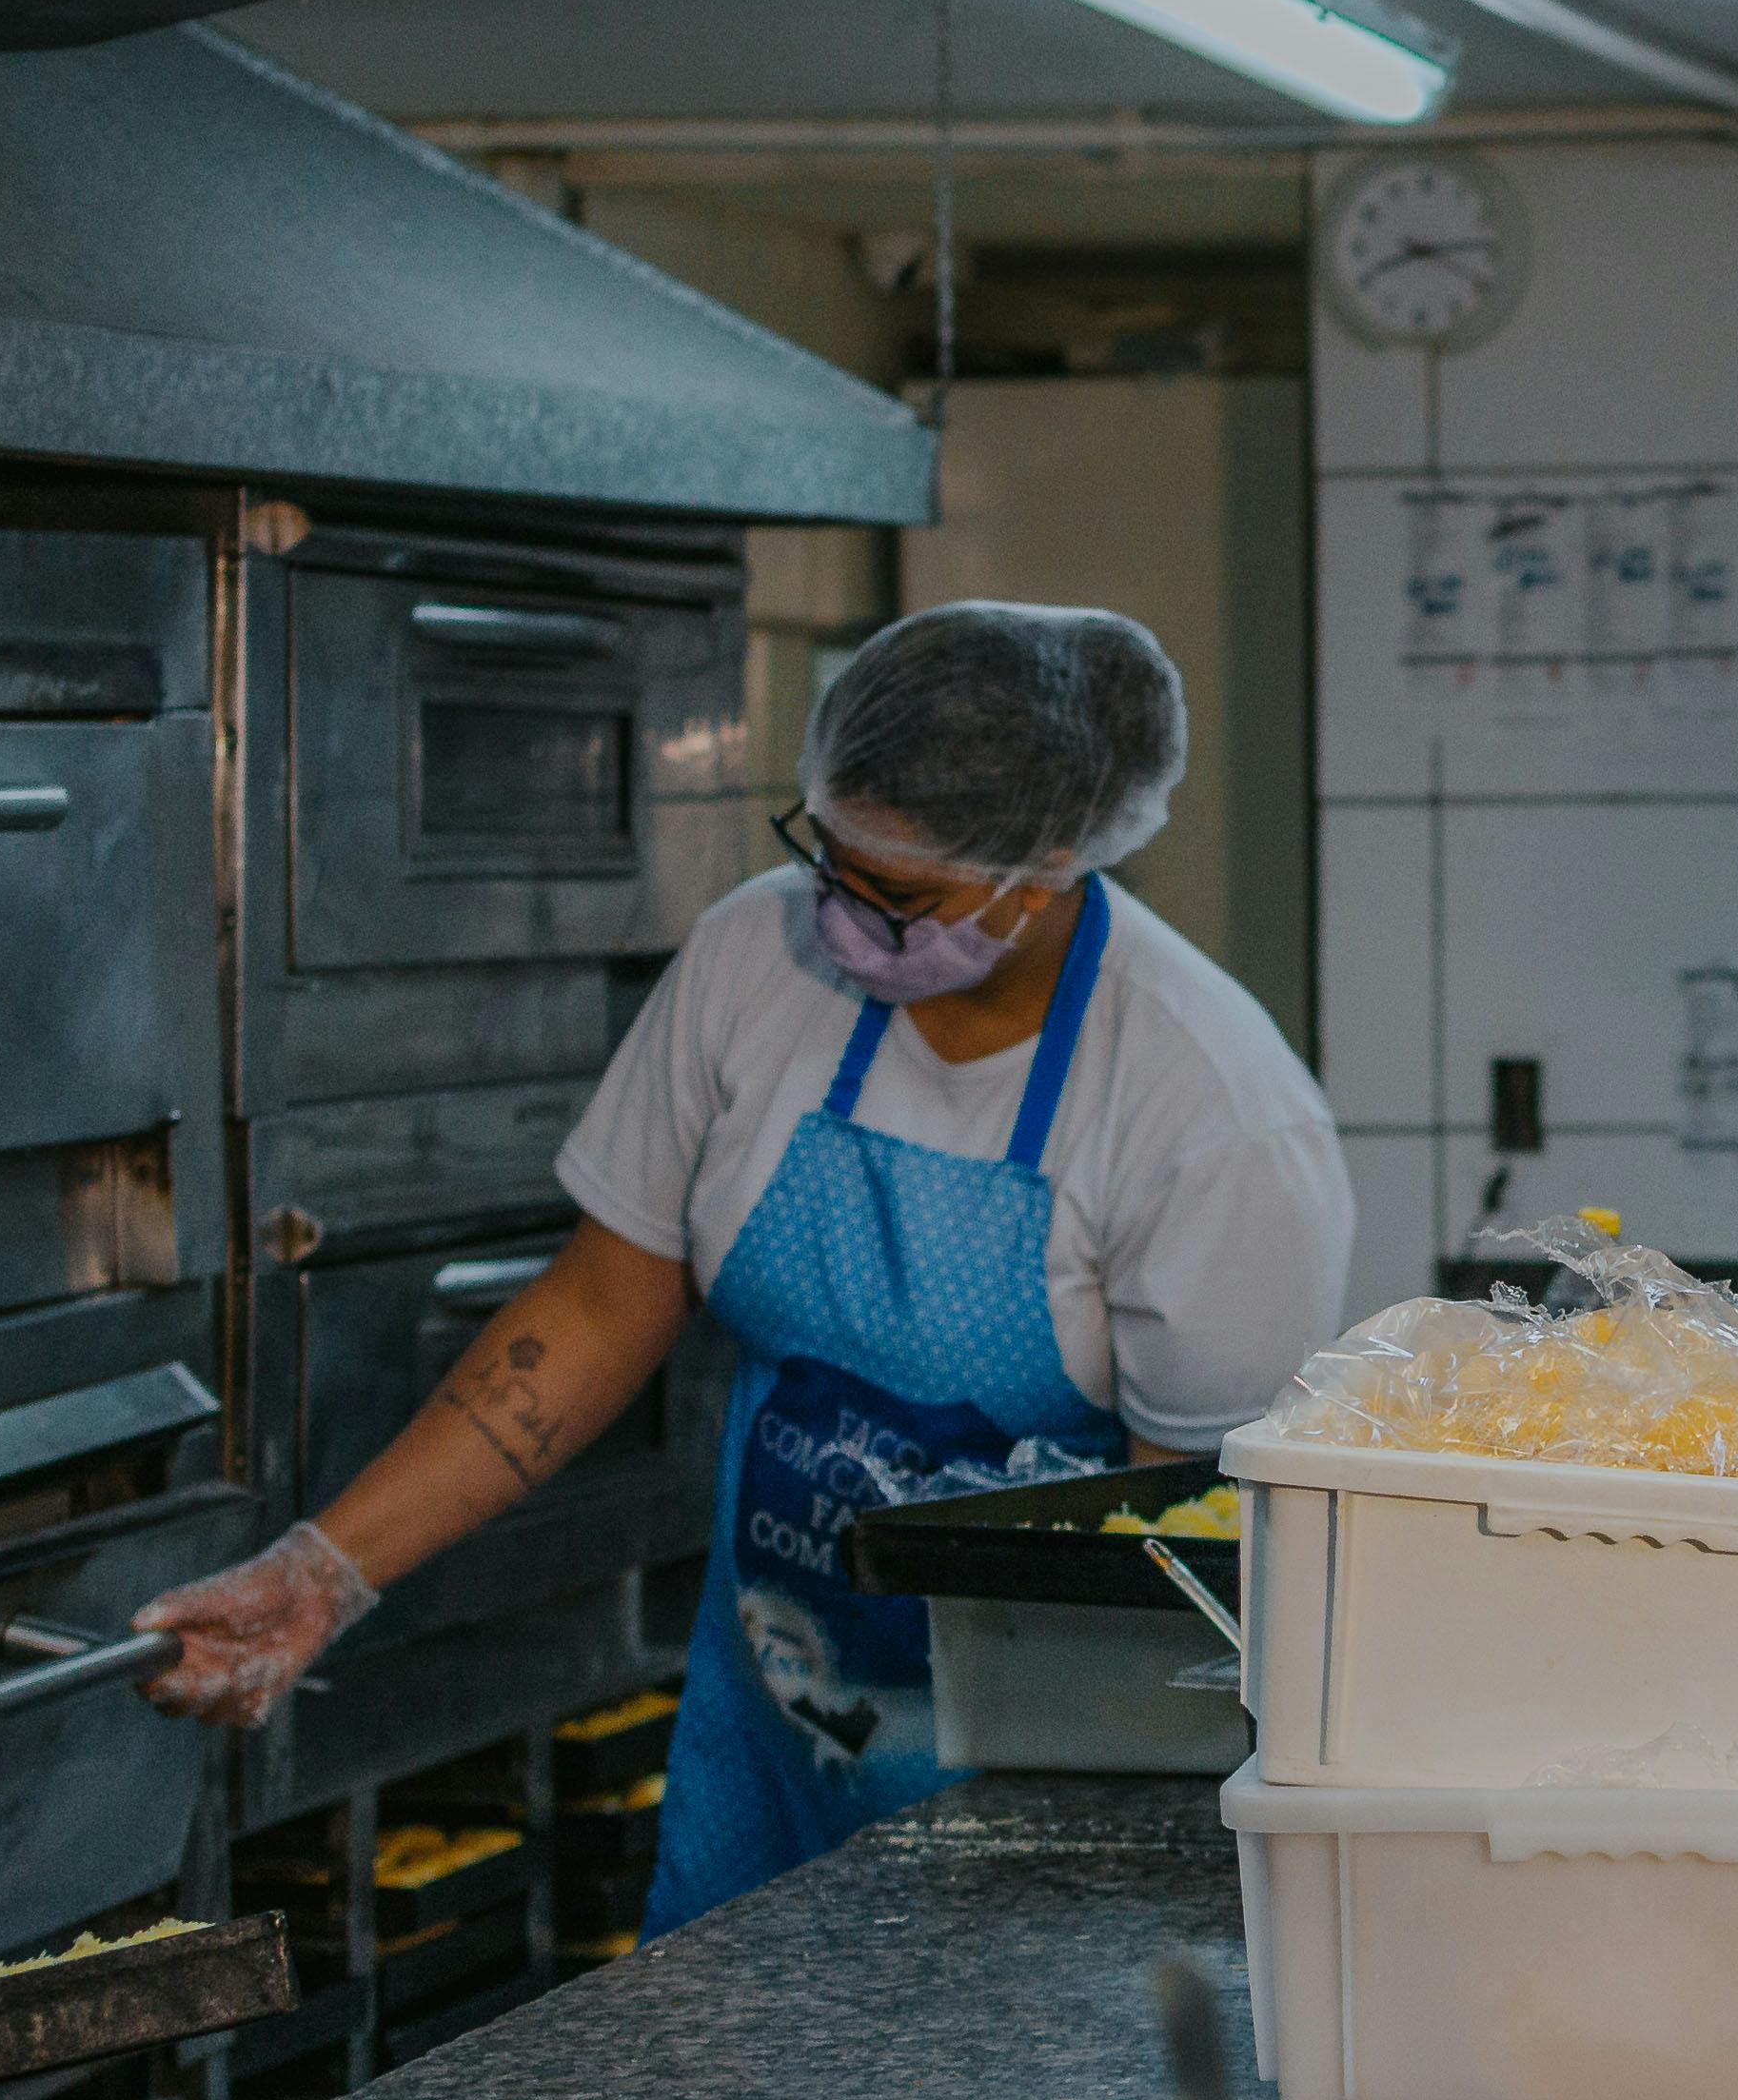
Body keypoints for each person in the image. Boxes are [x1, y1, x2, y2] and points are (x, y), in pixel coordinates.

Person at [136, 603, 1343, 1929]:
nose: (847, 922)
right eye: (830, 861)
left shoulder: (1208, 1108)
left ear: (1050, 861)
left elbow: (1193, 1549)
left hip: (1061, 1785)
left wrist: (1067, 1847)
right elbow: (604, 1302)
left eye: (905, 897)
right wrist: (326, 1572)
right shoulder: (752, 962)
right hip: (773, 1732)